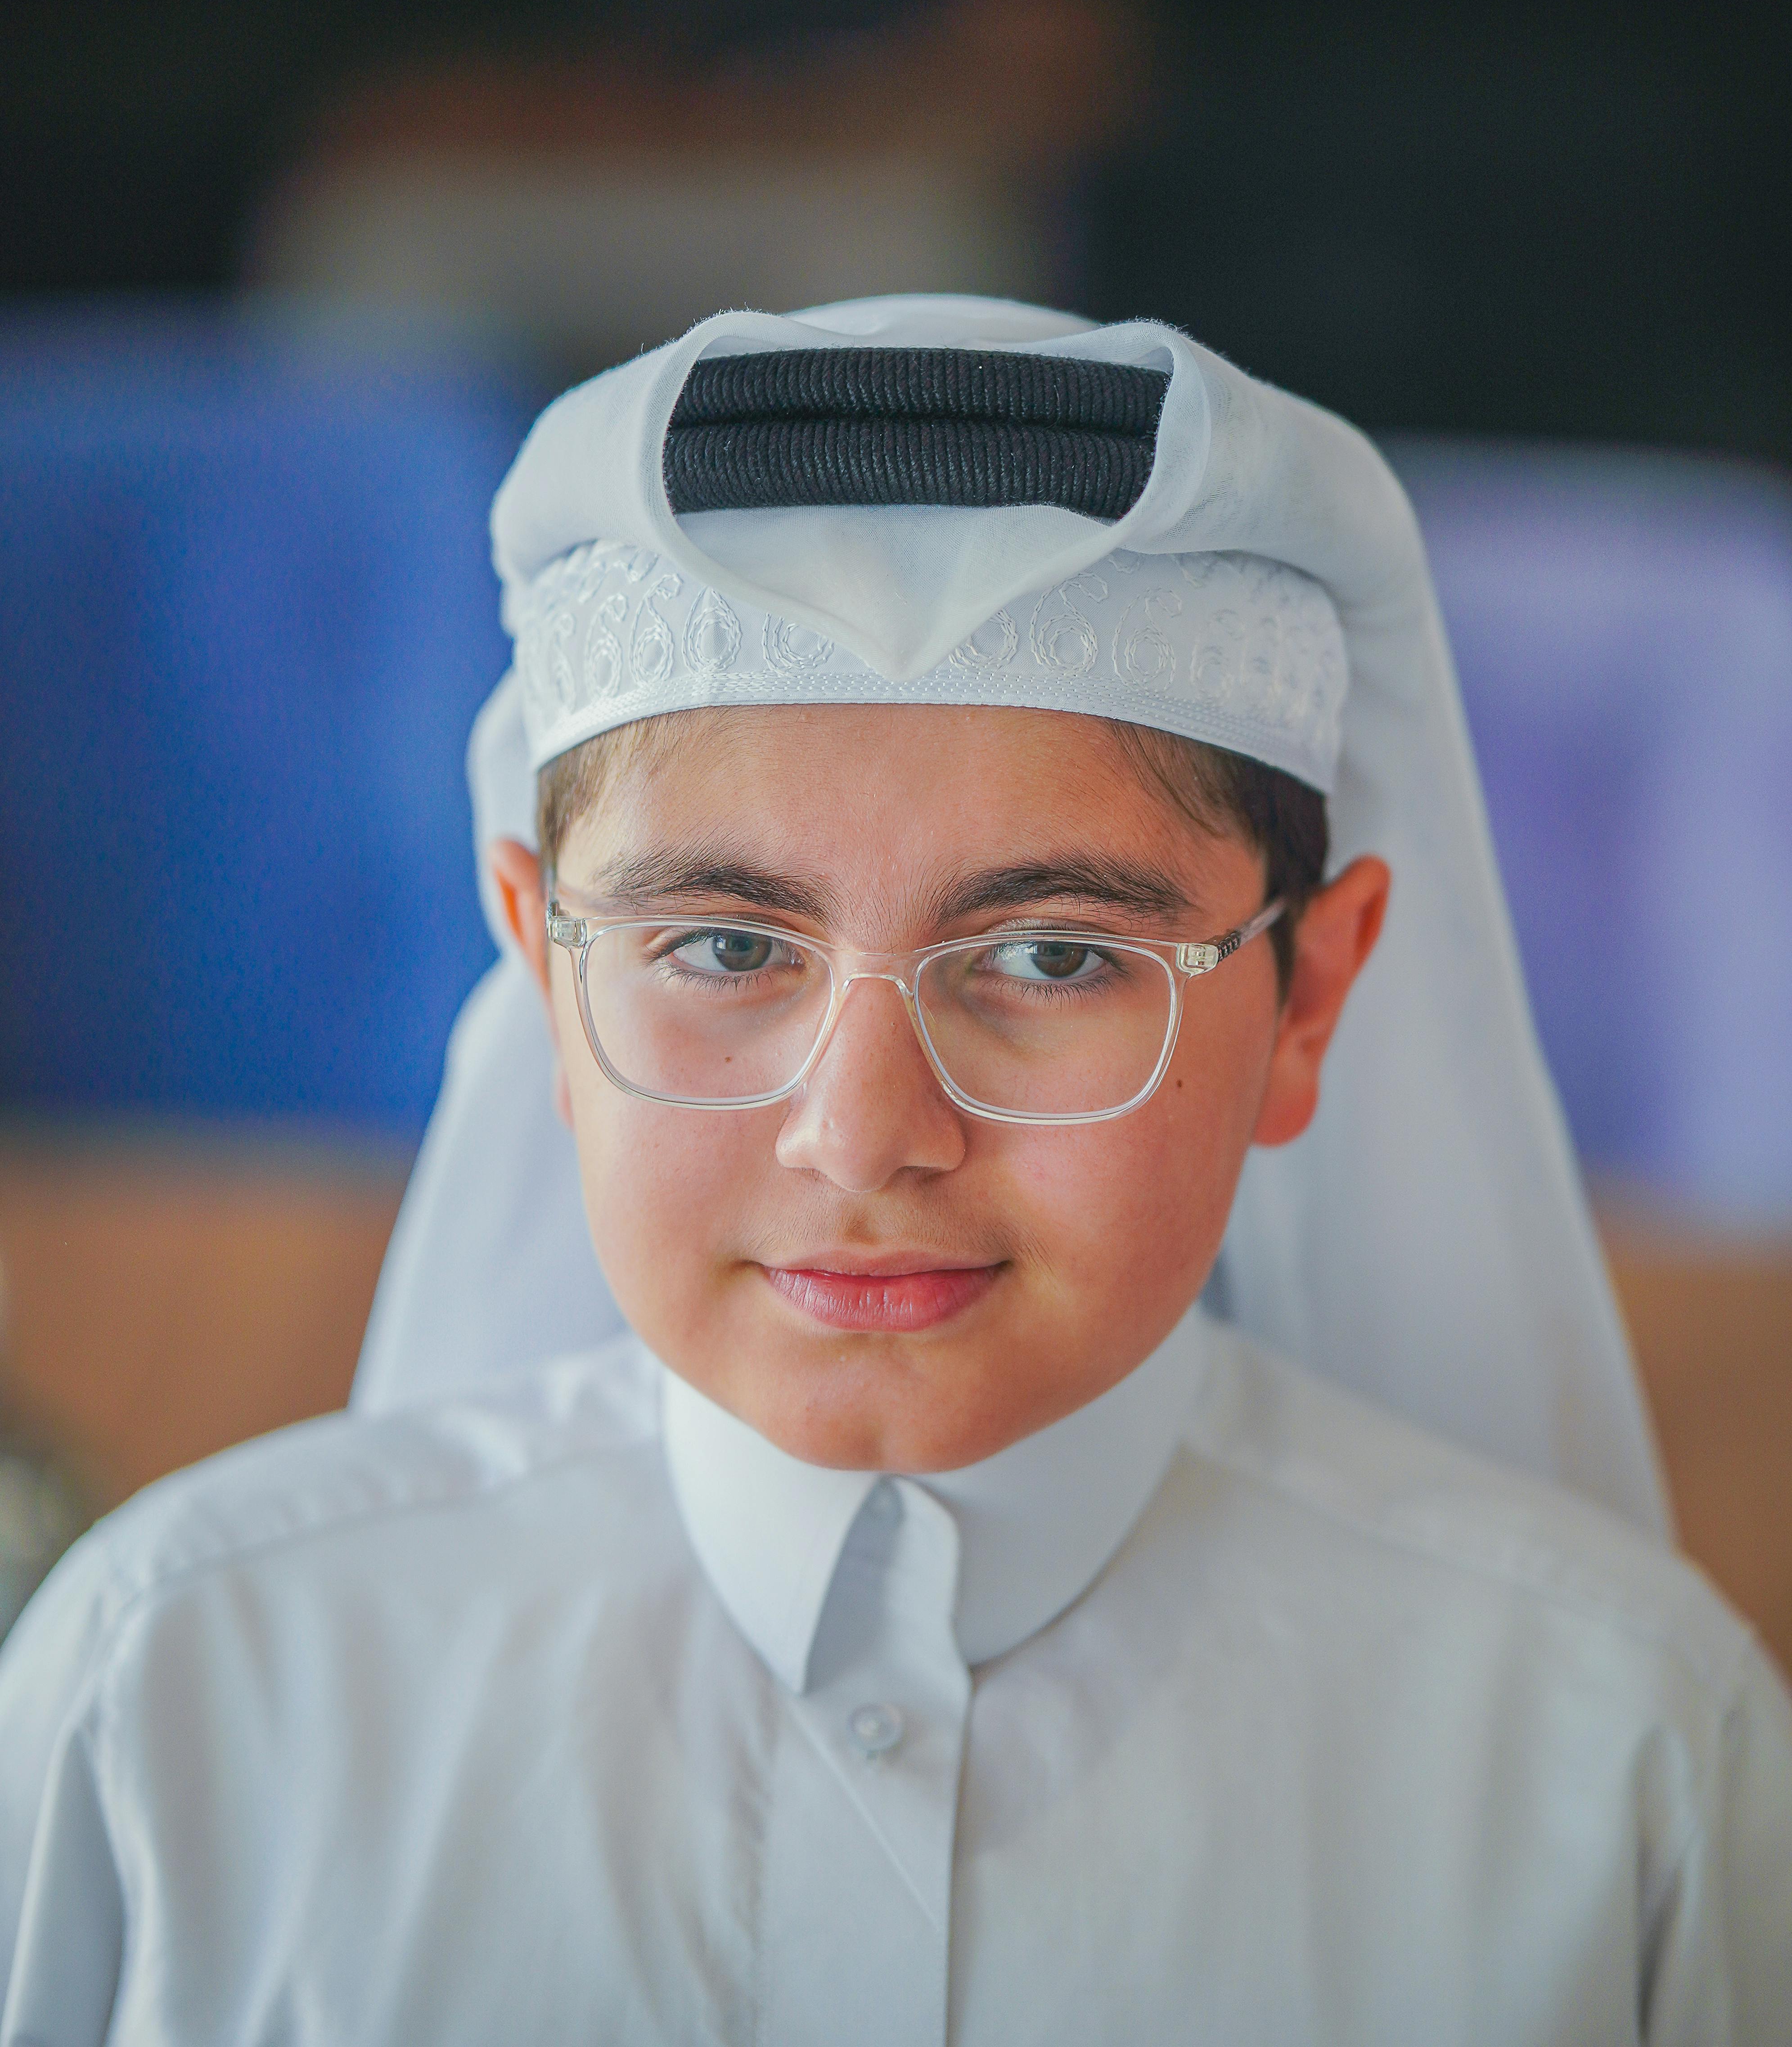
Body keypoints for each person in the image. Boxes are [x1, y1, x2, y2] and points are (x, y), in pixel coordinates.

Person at [1, 296, 1786, 2044]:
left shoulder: (1627, 1770)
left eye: (1056, 958)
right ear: (545, 972)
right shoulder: (174, 1705)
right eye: (721, 947)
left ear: (1308, 995)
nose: (863, 1137)